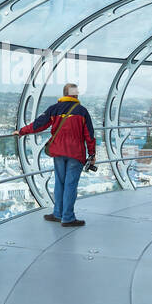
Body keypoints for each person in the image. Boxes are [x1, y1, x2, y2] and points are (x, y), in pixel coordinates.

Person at [18, 83, 96, 227]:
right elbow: (89, 135)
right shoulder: (82, 111)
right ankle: (68, 217)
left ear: (64, 93)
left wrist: (21, 131)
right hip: (76, 153)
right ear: (76, 94)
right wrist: (92, 154)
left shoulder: (54, 109)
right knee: (70, 185)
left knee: (59, 183)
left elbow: (38, 125)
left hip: (58, 152)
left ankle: (57, 213)